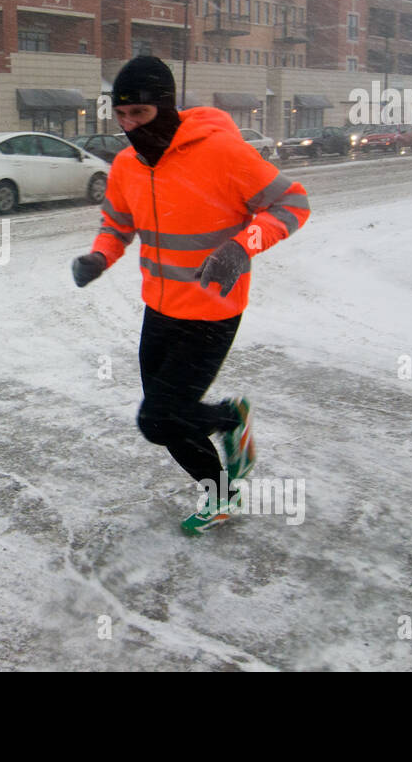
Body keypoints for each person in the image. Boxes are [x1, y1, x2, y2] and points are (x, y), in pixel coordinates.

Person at [71, 55, 310, 534]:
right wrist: (100, 256)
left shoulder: (222, 153)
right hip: (159, 310)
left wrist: (242, 248)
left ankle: (227, 423)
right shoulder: (127, 165)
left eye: (138, 114)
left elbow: (293, 203)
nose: (129, 125)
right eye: (120, 116)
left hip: (213, 311)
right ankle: (221, 489)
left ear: (164, 105)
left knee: (157, 418)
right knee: (167, 421)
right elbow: (118, 224)